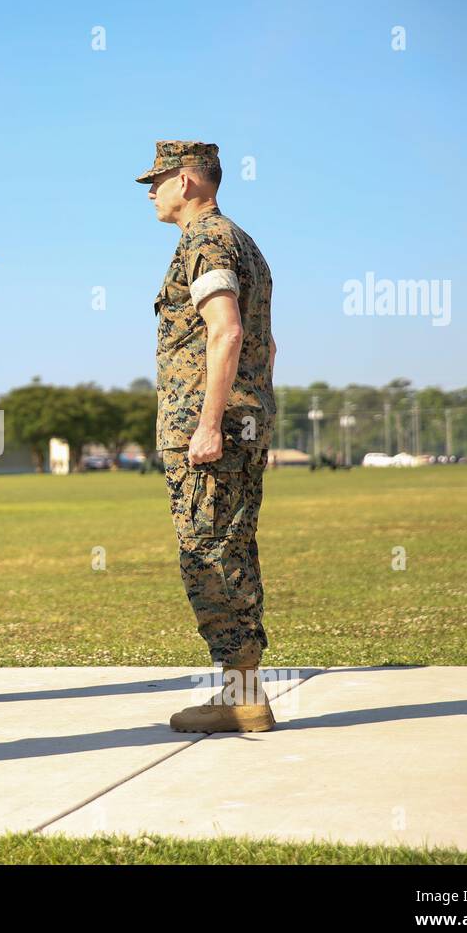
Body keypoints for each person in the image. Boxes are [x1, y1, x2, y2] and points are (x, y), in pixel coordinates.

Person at [137, 140, 277, 733]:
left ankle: (241, 697)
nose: (150, 191)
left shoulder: (205, 240)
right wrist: (253, 417)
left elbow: (228, 332)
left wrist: (210, 424)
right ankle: (242, 691)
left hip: (208, 427)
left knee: (208, 554)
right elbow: (267, 347)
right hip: (240, 422)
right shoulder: (243, 241)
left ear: (189, 182)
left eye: (159, 179)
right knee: (233, 549)